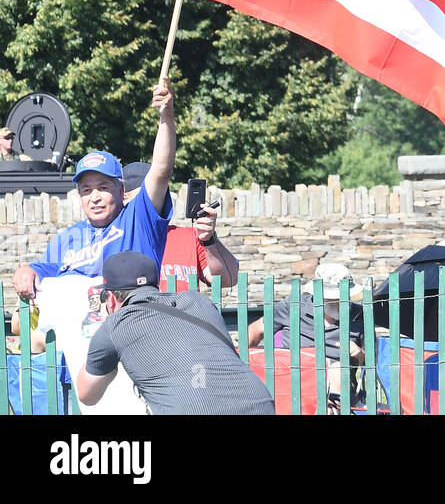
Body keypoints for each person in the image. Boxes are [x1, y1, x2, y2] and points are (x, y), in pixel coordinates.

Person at [12, 79, 176, 298]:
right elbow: (41, 270)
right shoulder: (68, 238)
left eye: (103, 187)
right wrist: (26, 271)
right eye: (86, 190)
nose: (95, 197)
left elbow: (161, 171)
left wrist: (166, 116)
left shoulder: (138, 220)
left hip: (132, 325)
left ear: (121, 191)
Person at [74, 251, 273, 414]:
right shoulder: (200, 301)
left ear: (109, 299)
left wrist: (107, 358)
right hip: (259, 403)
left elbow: (87, 395)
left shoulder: (114, 325)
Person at [120, 162, 238, 292]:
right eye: (146, 196)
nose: (154, 200)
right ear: (124, 199)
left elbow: (229, 279)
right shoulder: (113, 239)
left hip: (186, 312)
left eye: (159, 193)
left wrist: (209, 240)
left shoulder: (189, 237)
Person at [247, 262, 364, 365]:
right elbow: (256, 330)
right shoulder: (293, 306)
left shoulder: (360, 315)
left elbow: (372, 364)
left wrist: (359, 354)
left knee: (337, 369)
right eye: (332, 298)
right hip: (290, 377)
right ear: (317, 294)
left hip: (337, 383)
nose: (338, 301)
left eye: (342, 296)